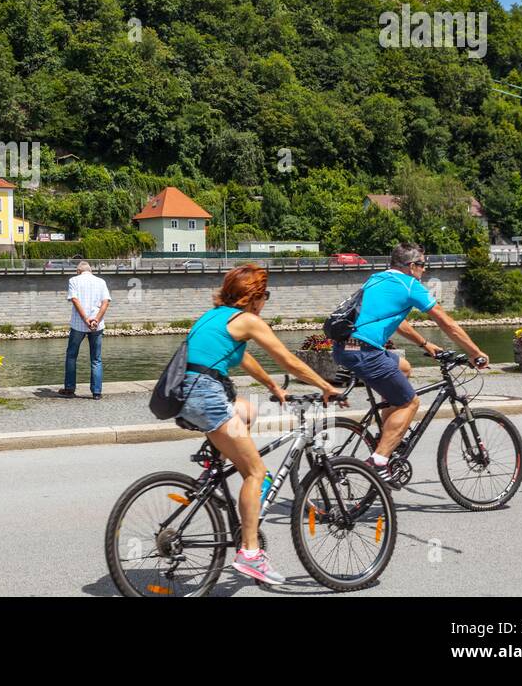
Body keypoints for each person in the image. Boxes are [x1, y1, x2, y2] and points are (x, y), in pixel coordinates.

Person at [177, 263, 340, 586]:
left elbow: (243, 359)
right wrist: (325, 386)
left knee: (247, 411)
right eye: (264, 294)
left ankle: (213, 468)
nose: (265, 301)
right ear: (253, 296)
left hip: (186, 393)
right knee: (256, 472)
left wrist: (272, 387)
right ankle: (250, 554)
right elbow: (287, 359)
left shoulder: (215, 317)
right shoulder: (248, 320)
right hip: (207, 397)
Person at [332, 243, 489, 484]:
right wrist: (475, 352)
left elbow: (399, 323)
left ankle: (387, 435)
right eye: (423, 265)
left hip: (346, 348)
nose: (424, 271)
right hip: (366, 352)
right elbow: (446, 322)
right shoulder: (409, 285)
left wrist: (426, 344)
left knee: (404, 368)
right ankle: (379, 461)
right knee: (409, 402)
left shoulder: (377, 278)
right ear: (412, 266)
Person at [61, 261, 111, 399]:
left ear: (78, 271)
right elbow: (105, 302)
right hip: (97, 325)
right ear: (91, 270)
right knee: (96, 359)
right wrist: (96, 319)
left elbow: (75, 300)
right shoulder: (101, 281)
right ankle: (96, 392)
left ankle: (70, 389)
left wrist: (85, 319)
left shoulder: (74, 280)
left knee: (71, 356)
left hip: (78, 324)